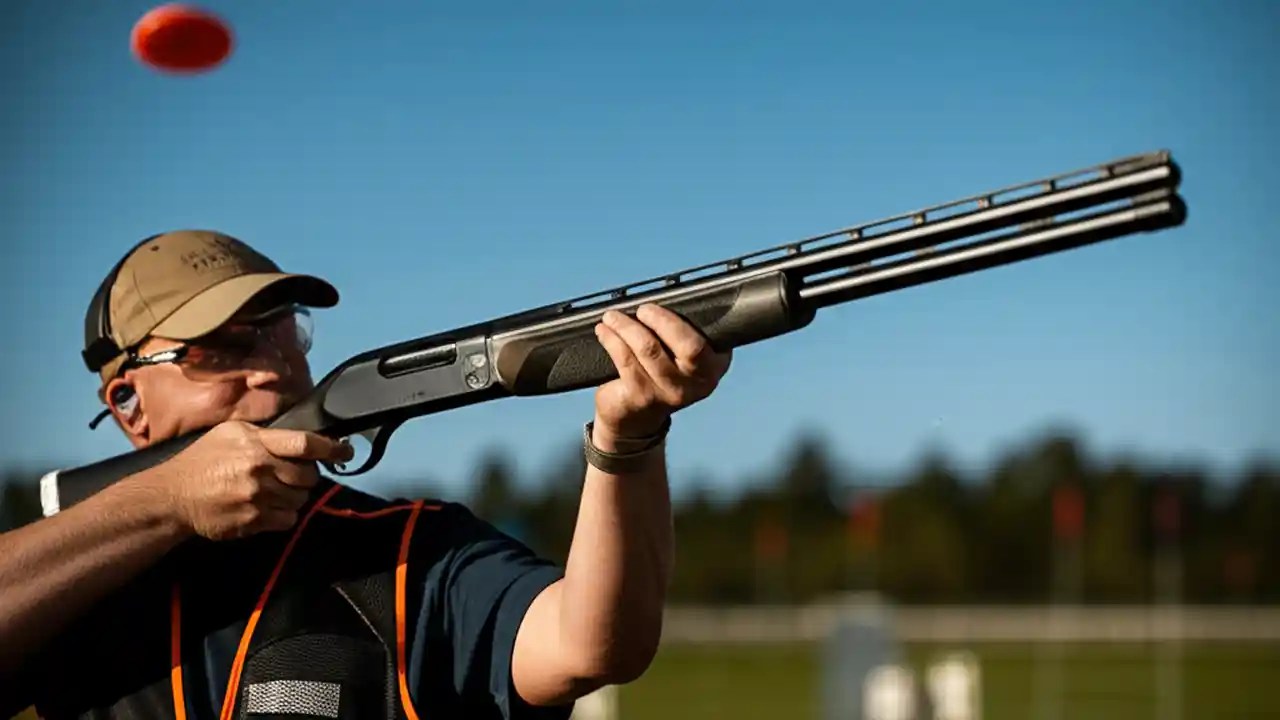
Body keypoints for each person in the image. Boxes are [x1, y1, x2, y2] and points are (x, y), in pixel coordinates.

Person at [0, 230, 732, 720]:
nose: (269, 364)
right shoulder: (67, 576)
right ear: (128, 405)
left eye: (280, 327)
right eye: (215, 349)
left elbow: (592, 646)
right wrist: (164, 502)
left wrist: (627, 439)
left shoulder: (416, 554)